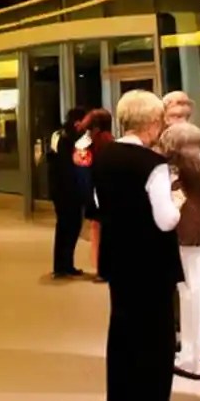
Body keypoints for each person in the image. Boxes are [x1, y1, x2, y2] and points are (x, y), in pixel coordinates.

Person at [91, 90, 181, 401]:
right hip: (152, 264)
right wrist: (179, 203)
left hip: (118, 258)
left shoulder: (104, 157)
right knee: (156, 339)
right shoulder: (154, 165)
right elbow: (166, 219)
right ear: (152, 123)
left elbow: (99, 205)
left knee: (123, 332)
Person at [159, 122, 200, 381]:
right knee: (199, 294)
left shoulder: (173, 174)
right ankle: (195, 352)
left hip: (181, 237)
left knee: (187, 294)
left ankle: (190, 359)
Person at [48, 107, 87, 278]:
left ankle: (61, 264)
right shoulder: (71, 139)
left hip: (58, 189)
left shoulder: (57, 135)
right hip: (69, 190)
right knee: (71, 226)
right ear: (77, 121)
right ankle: (65, 264)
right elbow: (72, 165)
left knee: (63, 227)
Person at [76, 108, 114, 278]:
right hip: (107, 191)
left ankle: (101, 267)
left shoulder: (88, 143)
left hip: (95, 191)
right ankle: (105, 267)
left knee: (97, 230)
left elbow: (80, 162)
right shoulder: (112, 142)